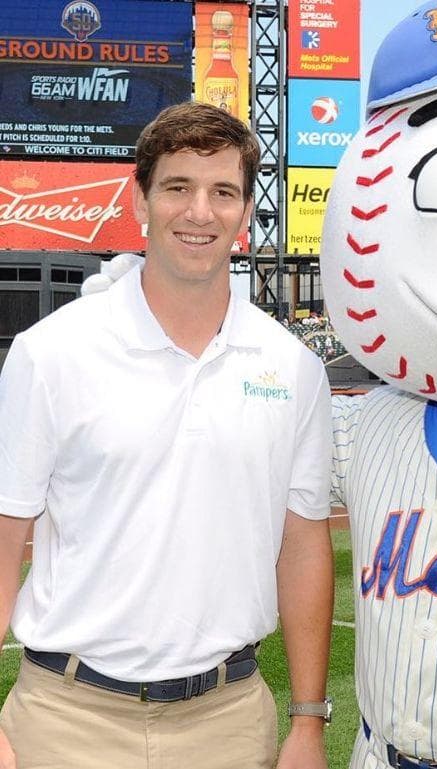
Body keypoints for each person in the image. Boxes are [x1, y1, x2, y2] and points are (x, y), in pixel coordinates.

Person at [0, 101, 333, 769]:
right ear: (141, 199)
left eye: (223, 192)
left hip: (229, 721)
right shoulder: (51, 353)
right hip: (66, 719)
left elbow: (302, 544)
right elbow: (4, 538)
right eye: (178, 187)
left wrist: (307, 721)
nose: (200, 212)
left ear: (244, 210)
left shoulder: (291, 367)